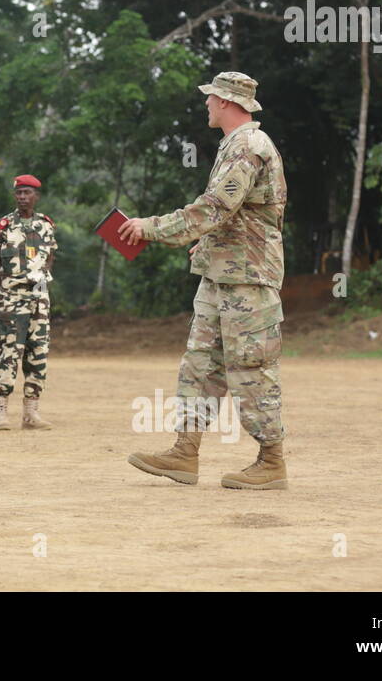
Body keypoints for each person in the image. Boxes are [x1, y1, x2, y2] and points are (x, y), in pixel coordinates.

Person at [120, 71, 289, 490]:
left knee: (251, 368)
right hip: (222, 274)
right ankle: (185, 452)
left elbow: (215, 207)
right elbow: (233, 216)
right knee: (199, 364)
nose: (206, 104)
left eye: (211, 98)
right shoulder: (234, 145)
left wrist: (150, 227)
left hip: (248, 279)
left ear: (228, 102)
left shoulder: (249, 146)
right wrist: (209, 245)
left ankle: (271, 461)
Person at [0, 174, 56, 430]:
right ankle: (1, 411)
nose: (23, 198)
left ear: (36, 196)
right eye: (19, 193)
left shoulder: (46, 225)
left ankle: (31, 413)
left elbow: (51, 257)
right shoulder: (3, 226)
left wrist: (40, 279)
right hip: (11, 299)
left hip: (40, 299)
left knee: (38, 354)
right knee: (8, 353)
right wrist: (9, 287)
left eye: (27, 193)